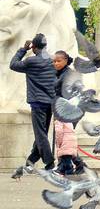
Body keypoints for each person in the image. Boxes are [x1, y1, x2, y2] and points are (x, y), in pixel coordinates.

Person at [9, 33, 58, 179]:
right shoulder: (52, 60)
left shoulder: (31, 61)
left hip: (37, 103)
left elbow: (13, 64)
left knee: (40, 134)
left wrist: (23, 49)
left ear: (34, 47)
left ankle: (50, 164)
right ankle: (30, 163)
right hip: (50, 102)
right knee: (41, 133)